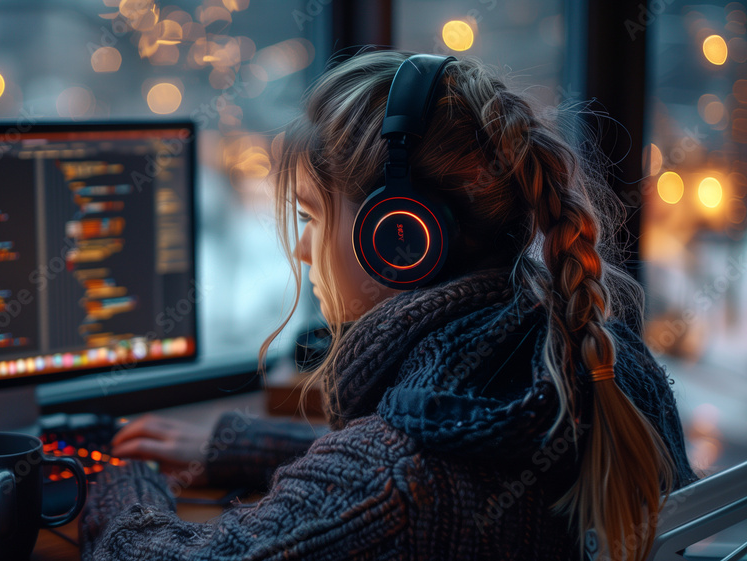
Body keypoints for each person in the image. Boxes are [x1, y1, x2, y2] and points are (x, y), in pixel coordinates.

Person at [77, 50, 698, 561]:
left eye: (310, 216)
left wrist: (118, 482)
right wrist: (245, 445)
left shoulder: (397, 482)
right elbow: (444, 449)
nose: (299, 249)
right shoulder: (604, 365)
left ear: (400, 235)